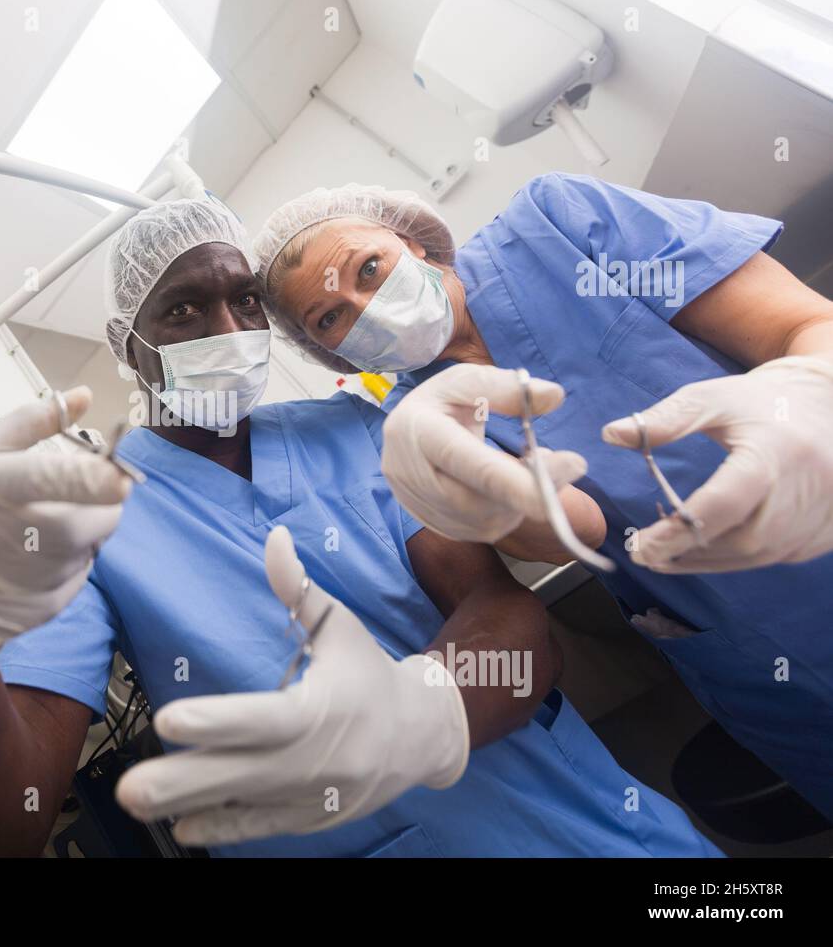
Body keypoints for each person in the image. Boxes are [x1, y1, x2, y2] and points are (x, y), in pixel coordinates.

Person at [0, 196, 719, 856]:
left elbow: (501, 611)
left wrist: (414, 715)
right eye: (184, 310)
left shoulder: (354, 428)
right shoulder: (87, 522)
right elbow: (0, 826)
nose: (229, 330)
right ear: (129, 347)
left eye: (245, 301)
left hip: (584, 822)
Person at [252, 174, 833, 819]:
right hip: (743, 642)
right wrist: (499, 499)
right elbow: (575, 532)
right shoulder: (418, 423)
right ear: (329, 355)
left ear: (411, 242)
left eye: (369, 268)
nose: (367, 306)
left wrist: (805, 391)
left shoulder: (556, 226)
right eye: (330, 317)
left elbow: (801, 324)